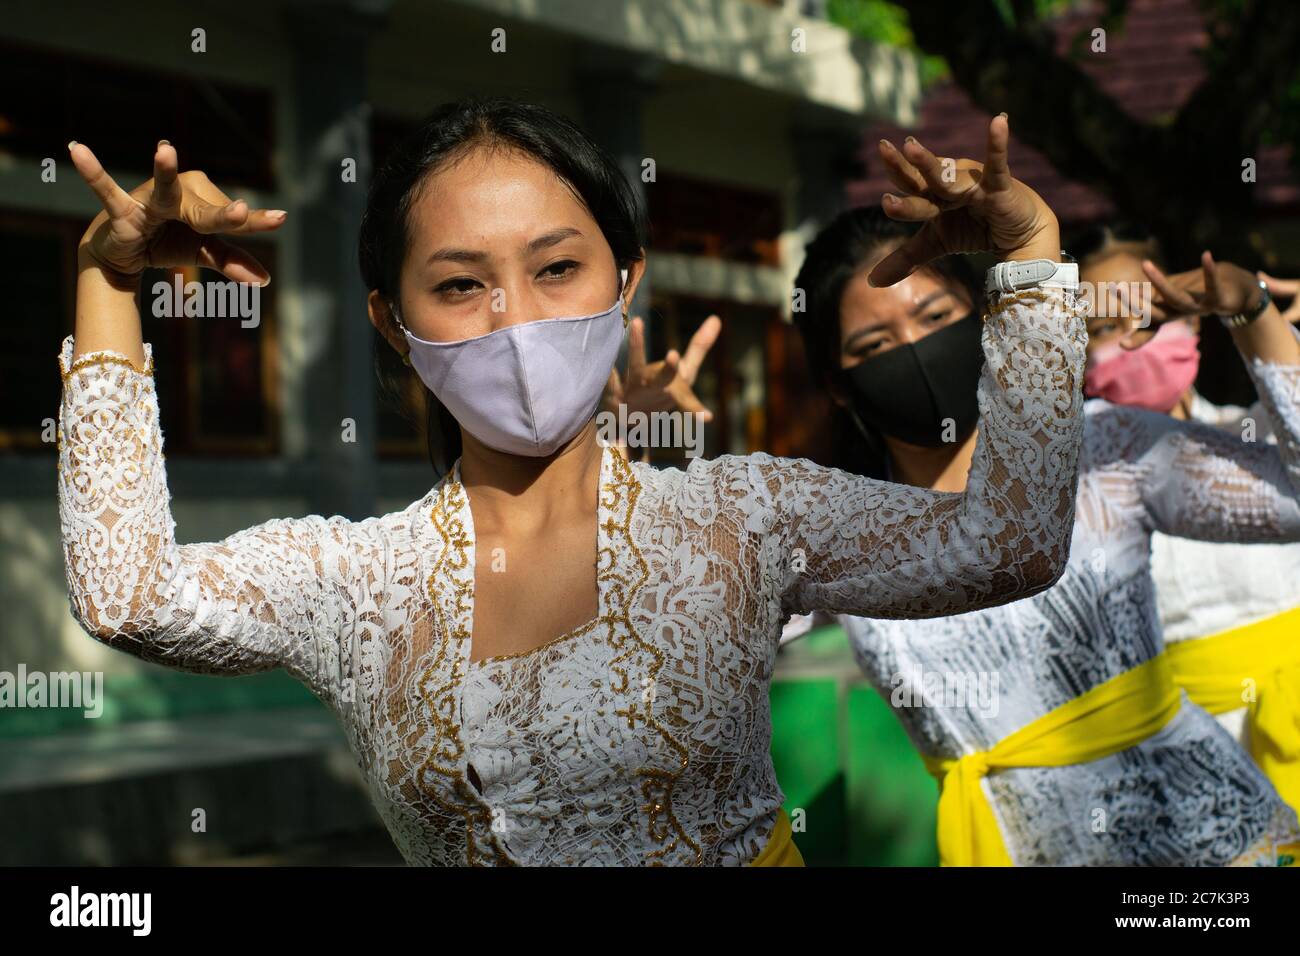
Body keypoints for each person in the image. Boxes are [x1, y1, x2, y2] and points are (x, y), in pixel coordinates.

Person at [59, 101, 1086, 866]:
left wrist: (1029, 263)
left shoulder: (743, 517)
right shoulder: (357, 580)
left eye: (557, 268)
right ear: (390, 320)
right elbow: (126, 593)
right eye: (460, 284)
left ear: (625, 282)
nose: (515, 319)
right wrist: (109, 282)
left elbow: (1011, 541)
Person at [782, 190, 1300, 865]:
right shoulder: (834, 537)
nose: (913, 349)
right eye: (875, 343)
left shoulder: (1100, 449)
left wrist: (1250, 310)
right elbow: (669, 637)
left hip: (1206, 852)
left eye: (934, 315)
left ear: (984, 320)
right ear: (839, 385)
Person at [1078, 234, 1300, 816]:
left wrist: (1258, 315)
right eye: (1102, 329)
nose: (1130, 338)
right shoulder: (1081, 496)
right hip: (1189, 768)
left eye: (1148, 313)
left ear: (1194, 322)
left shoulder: (1258, 437)